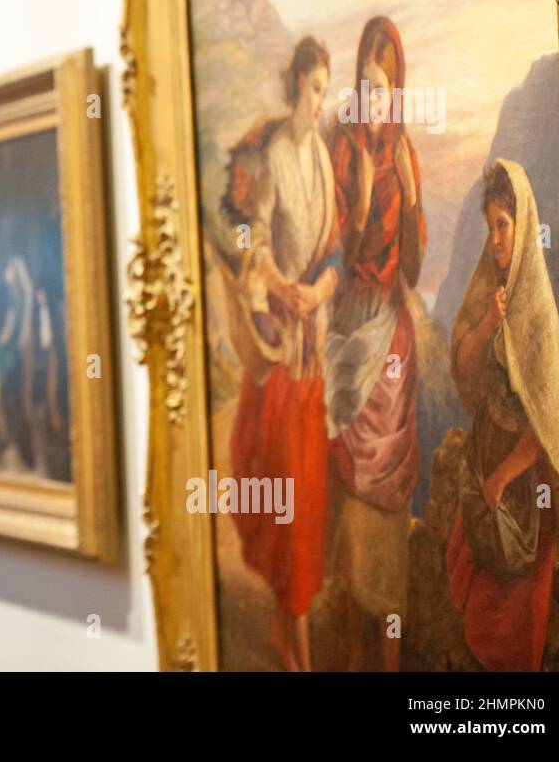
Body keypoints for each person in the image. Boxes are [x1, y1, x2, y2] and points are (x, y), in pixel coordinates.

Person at [218, 36, 339, 671]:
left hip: (310, 355)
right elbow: (247, 233)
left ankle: (287, 632)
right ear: (294, 84)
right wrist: (278, 283)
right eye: (313, 87)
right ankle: (299, 652)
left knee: (307, 504)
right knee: (283, 500)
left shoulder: (320, 156)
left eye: (325, 89)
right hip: (278, 355)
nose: (319, 101)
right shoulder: (271, 156)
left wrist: (315, 290)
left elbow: (335, 255)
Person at [321, 16, 425, 671]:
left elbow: (412, 269)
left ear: (397, 87)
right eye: (365, 82)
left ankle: (389, 655)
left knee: (388, 509)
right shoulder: (344, 149)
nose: (373, 95)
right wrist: (358, 211)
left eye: (382, 84)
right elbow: (333, 260)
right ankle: (356, 649)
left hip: (392, 334)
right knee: (350, 498)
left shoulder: (405, 151)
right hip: (349, 327)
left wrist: (411, 202)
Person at [446, 159, 559, 671]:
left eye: (504, 225)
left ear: (520, 229)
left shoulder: (538, 308)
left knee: (517, 615)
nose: (496, 238)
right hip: (485, 455)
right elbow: (464, 363)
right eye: (490, 226)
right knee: (475, 599)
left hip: (522, 477)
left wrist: (502, 476)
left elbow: (543, 422)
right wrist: (487, 324)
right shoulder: (489, 293)